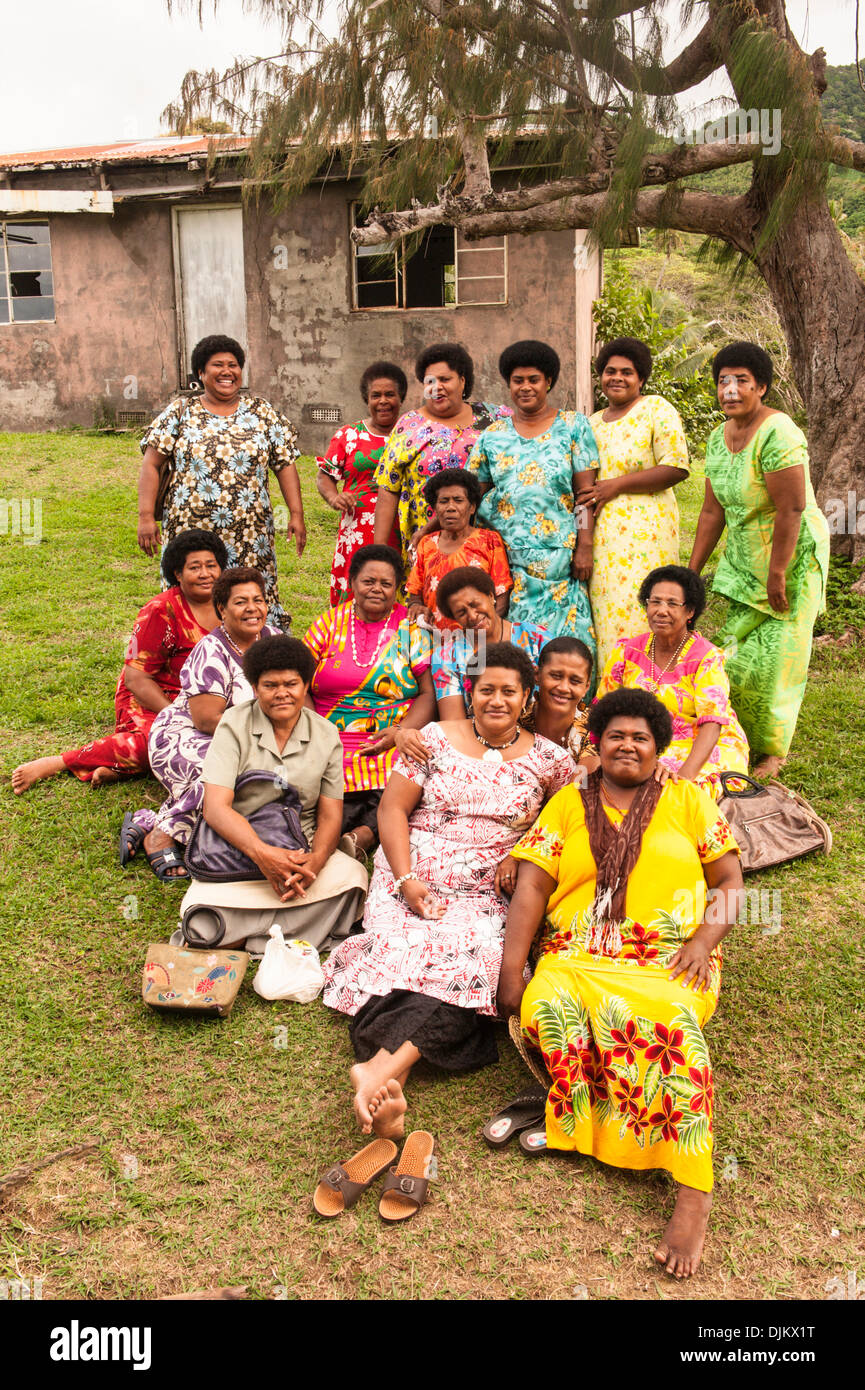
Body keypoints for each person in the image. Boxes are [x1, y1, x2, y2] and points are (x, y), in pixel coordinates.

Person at [499, 688, 743, 1279]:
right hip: (577, 954)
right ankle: (584, 1121)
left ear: (659, 746)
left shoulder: (688, 798)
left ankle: (692, 1191)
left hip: (667, 958)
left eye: (641, 737)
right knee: (548, 1008)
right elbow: (532, 885)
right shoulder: (565, 802)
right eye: (616, 735)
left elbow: (731, 882)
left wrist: (701, 943)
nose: (628, 745)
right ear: (597, 742)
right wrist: (513, 967)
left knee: (667, 1026)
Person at [322, 643, 576, 1140]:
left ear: (527, 697)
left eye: (509, 691)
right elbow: (392, 811)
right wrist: (406, 879)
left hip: (490, 893)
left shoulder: (551, 760)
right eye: (486, 690)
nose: (496, 700)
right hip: (417, 878)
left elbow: (561, 825)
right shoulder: (432, 740)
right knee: (412, 959)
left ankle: (380, 1069)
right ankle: (387, 1074)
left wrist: (519, 854)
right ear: (470, 692)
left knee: (483, 961)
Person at [688, 342, 830, 778]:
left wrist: (778, 574)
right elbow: (712, 512)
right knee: (736, 652)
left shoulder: (779, 432)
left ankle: (772, 751)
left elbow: (791, 508)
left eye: (741, 381)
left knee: (778, 659)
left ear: (761, 387)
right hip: (745, 557)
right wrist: (689, 574)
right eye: (722, 382)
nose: (730, 390)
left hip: (792, 555)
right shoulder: (718, 436)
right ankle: (737, 732)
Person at [177, 635, 368, 956]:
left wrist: (314, 865)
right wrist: (264, 856)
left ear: (306, 685)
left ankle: (237, 936)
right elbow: (215, 808)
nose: (282, 694)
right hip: (237, 857)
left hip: (300, 857)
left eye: (291, 684)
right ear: (254, 687)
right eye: (270, 685)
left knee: (352, 881)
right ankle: (288, 933)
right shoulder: (233, 725)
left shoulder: (326, 734)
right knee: (199, 907)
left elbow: (330, 815)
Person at [12, 529, 225, 794]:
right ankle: (61, 762)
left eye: (211, 565)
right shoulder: (159, 611)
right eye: (195, 567)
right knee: (158, 744)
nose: (205, 573)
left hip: (205, 699)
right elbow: (136, 679)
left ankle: (119, 770)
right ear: (178, 574)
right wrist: (177, 716)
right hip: (152, 696)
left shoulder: (229, 606)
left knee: (219, 746)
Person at [136, 334, 306, 627]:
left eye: (234, 365)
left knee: (248, 595)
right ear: (201, 373)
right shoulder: (181, 412)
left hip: (250, 535)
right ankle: (188, 654)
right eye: (218, 365)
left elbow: (285, 465)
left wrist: (296, 514)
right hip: (192, 532)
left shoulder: (261, 412)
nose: (227, 371)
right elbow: (151, 464)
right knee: (193, 595)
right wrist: (146, 516)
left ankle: (252, 658)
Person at [122, 567, 280, 881]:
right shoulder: (211, 650)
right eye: (240, 602)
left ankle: (148, 819)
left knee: (263, 784)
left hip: (248, 733)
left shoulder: (274, 640)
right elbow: (208, 720)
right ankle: (161, 835)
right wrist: (261, 741)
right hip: (187, 733)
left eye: (258, 600)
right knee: (227, 774)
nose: (252, 608)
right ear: (221, 609)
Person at [303, 545, 435, 859]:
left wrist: (399, 732)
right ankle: (354, 834)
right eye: (368, 581)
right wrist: (317, 733)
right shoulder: (328, 623)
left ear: (397, 589)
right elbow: (299, 686)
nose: (377, 589)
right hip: (331, 737)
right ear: (352, 584)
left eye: (386, 583)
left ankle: (360, 835)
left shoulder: (411, 629)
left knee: (404, 787)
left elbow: (429, 694)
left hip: (392, 737)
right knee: (327, 788)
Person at [467, 339, 597, 651]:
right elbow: (470, 494)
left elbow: (585, 494)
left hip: (560, 561)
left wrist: (585, 545)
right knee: (514, 647)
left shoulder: (572, 426)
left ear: (548, 382)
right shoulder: (493, 436)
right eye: (518, 381)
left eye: (533, 380)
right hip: (507, 562)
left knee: (567, 646)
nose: (525, 387)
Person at [579, 337, 690, 670]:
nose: (617, 378)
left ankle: (651, 693)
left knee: (644, 609)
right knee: (606, 615)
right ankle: (611, 692)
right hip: (603, 542)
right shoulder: (591, 423)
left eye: (627, 372)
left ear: (641, 378)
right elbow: (583, 489)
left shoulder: (656, 408)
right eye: (610, 371)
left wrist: (617, 485)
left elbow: (676, 467)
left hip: (648, 537)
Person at [596, 566, 749, 796]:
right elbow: (602, 706)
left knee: (670, 792)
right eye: (655, 602)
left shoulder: (706, 658)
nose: (661, 610)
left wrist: (684, 778)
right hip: (641, 740)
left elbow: (712, 724)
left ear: (690, 612)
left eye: (672, 603)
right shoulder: (627, 651)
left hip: (699, 743)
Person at [372, 342, 511, 571]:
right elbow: (388, 489)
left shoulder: (495, 418)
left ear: (463, 381)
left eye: (445, 379)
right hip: (425, 545)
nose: (437, 387)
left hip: (482, 546)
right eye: (430, 381)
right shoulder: (409, 425)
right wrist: (378, 552)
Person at [316, 361, 408, 605]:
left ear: (401, 398)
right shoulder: (348, 435)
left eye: (390, 394)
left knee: (398, 592)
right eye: (375, 395)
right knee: (357, 594)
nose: (383, 401)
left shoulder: (412, 435)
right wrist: (334, 497)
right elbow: (325, 475)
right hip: (357, 532)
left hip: (401, 530)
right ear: (366, 400)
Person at [429, 566, 548, 717]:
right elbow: (454, 722)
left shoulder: (536, 639)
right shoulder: (447, 657)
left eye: (474, 604)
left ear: (491, 596)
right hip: (475, 738)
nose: (472, 616)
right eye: (461, 612)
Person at [406, 467, 512, 629]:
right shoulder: (426, 543)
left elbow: (502, 595)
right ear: (435, 508)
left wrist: (487, 632)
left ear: (472, 508)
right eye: (443, 501)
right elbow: (415, 596)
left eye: (458, 500)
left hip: (478, 637)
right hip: (435, 639)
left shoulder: (489, 540)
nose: (450, 507)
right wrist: (417, 608)